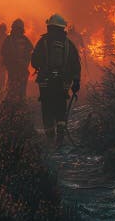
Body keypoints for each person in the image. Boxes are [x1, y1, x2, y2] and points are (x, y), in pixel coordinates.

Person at [31, 13, 81, 145]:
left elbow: (34, 61)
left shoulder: (43, 42)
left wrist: (43, 66)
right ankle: (60, 134)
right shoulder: (69, 44)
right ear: (62, 28)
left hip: (46, 82)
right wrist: (76, 81)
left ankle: (49, 135)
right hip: (62, 82)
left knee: (46, 106)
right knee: (61, 107)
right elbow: (76, 64)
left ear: (50, 27)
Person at [2, 18, 33, 103]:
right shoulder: (9, 40)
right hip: (13, 68)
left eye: (19, 29)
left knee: (22, 86)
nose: (17, 31)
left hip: (22, 67)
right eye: (16, 28)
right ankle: (10, 101)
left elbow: (30, 51)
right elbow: (4, 53)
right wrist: (10, 63)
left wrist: (25, 61)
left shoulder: (25, 40)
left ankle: (21, 100)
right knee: (12, 84)